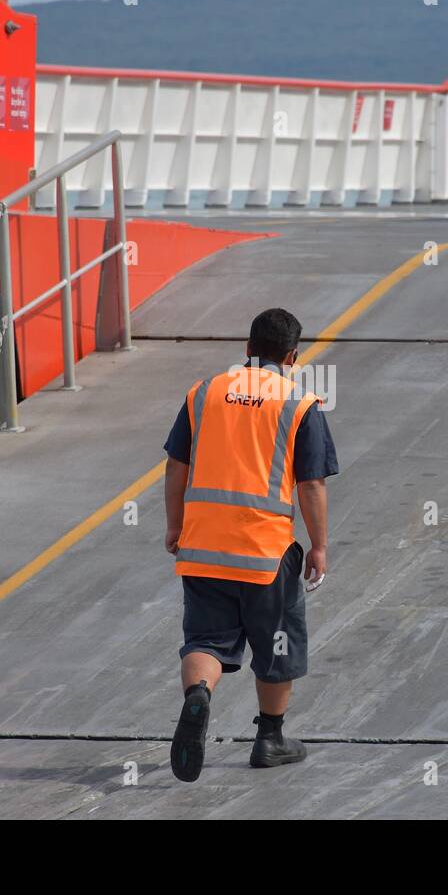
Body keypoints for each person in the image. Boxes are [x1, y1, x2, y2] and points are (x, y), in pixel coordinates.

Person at [162, 307, 338, 783]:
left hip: (202, 549)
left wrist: (175, 527)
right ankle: (270, 739)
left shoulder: (204, 393)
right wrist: (319, 546)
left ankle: (199, 694)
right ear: (293, 356)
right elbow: (312, 484)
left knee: (205, 641)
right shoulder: (298, 403)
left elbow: (176, 466)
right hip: (265, 553)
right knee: (277, 643)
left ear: (247, 350)